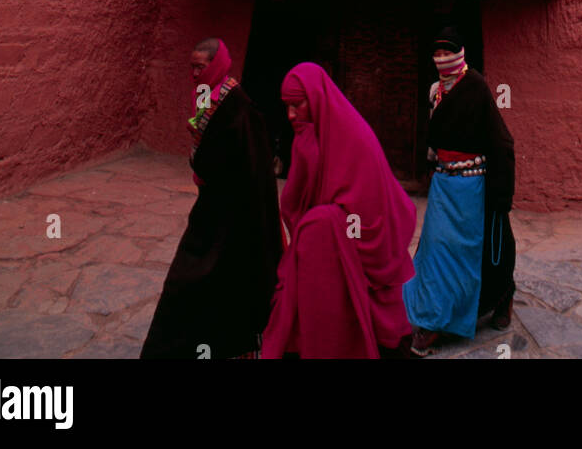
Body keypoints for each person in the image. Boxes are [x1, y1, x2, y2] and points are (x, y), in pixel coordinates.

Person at [261, 62, 416, 359]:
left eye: (298, 105)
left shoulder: (356, 138)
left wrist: (328, 224)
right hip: (328, 247)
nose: (291, 115)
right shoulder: (310, 137)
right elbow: (295, 203)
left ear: (316, 99)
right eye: (287, 107)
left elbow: (368, 216)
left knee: (319, 226)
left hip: (364, 248)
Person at [141, 38, 281, 360]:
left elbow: (245, 168)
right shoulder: (209, 98)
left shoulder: (239, 108)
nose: (193, 74)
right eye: (191, 67)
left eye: (199, 68)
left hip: (234, 216)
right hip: (213, 208)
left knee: (200, 282)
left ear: (215, 67)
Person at [404, 27, 516, 356]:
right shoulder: (436, 91)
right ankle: (431, 314)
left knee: (463, 253)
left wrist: (501, 192)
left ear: (459, 53)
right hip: (443, 184)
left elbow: (501, 140)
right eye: (436, 54)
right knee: (435, 249)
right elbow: (433, 135)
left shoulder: (477, 86)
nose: (441, 60)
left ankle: (452, 315)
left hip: (472, 185)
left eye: (446, 53)